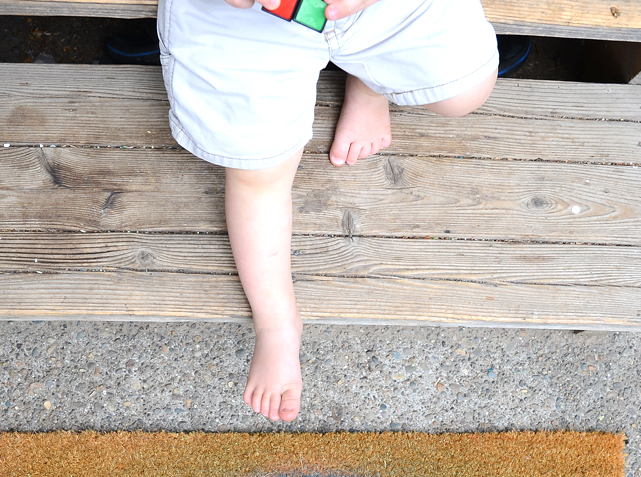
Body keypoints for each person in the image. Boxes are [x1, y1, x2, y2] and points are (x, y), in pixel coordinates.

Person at [157, 0, 499, 422]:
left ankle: (370, 80)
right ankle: (277, 323)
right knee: (256, 167)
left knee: (466, 88)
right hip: (245, 19)